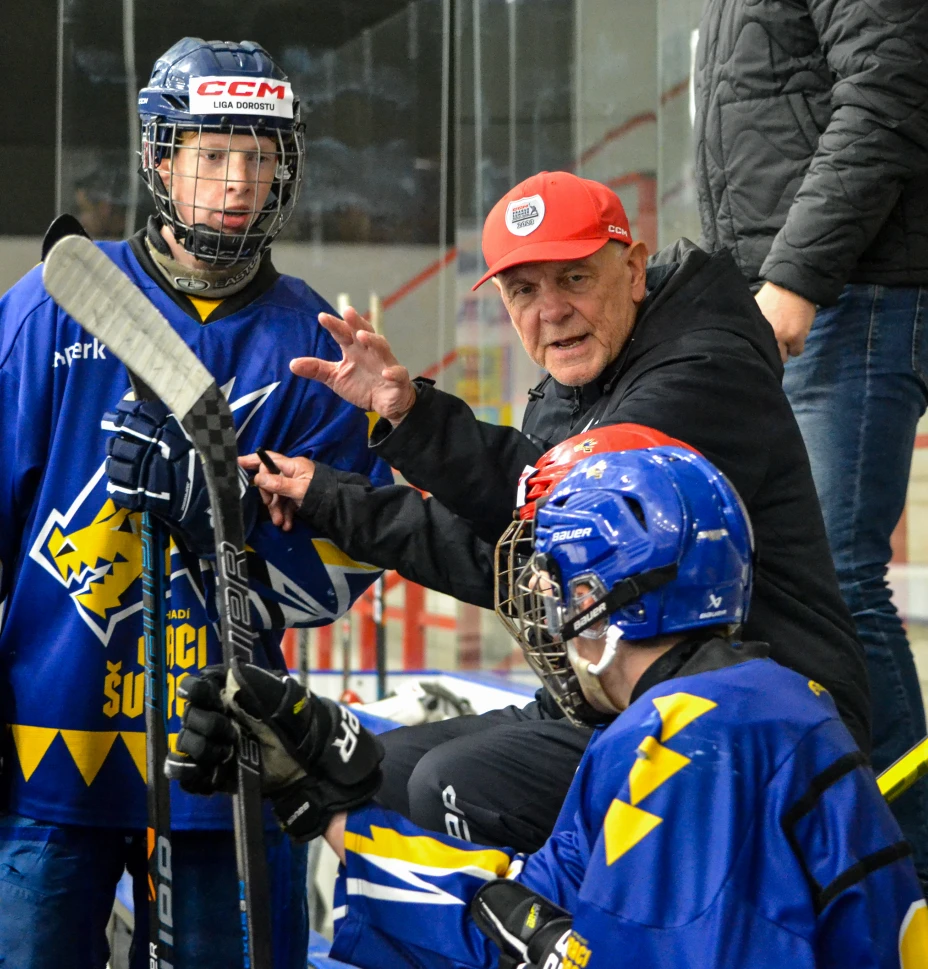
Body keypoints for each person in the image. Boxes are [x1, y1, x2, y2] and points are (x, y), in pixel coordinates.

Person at [240, 170, 871, 854]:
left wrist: (414, 417)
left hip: (744, 720)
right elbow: (501, 559)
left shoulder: (705, 367)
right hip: (608, 704)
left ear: (631, 269)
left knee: (451, 785)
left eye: (574, 279)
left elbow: (579, 497)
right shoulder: (573, 389)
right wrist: (328, 495)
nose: (551, 311)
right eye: (524, 291)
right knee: (374, 776)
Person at [173, 446, 928, 969]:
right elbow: (528, 910)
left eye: (560, 584)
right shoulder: (741, 706)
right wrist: (326, 798)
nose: (552, 611)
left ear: (605, 600)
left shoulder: (691, 743)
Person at [0, 37, 390, 969]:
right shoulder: (54, 308)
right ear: (160, 158)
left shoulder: (312, 342)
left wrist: (235, 523)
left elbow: (342, 577)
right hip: (48, 754)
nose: (236, 181)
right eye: (212, 153)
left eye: (257, 157)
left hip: (233, 763)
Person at [693, 0, 928, 885]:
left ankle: (908, 867)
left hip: (848, 290)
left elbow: (890, 89)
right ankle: (832, 849)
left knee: (837, 581)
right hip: (810, 286)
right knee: (791, 581)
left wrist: (795, 274)